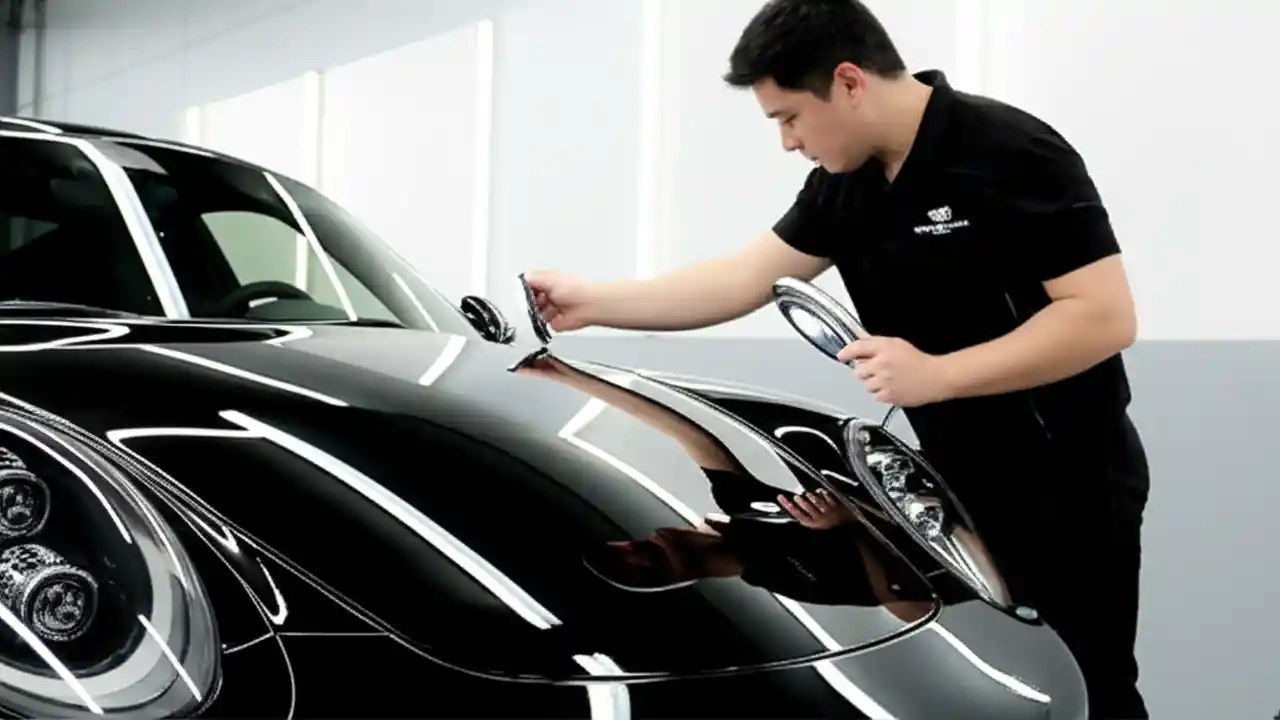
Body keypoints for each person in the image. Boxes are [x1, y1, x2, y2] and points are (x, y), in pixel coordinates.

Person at [524, 1, 1149, 717]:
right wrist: (593, 301)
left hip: (1067, 481)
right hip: (947, 485)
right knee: (975, 690)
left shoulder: (1010, 151)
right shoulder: (847, 182)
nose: (788, 141)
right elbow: (740, 278)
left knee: (1085, 689)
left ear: (849, 82)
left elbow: (1103, 317)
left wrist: (939, 374)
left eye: (789, 117)